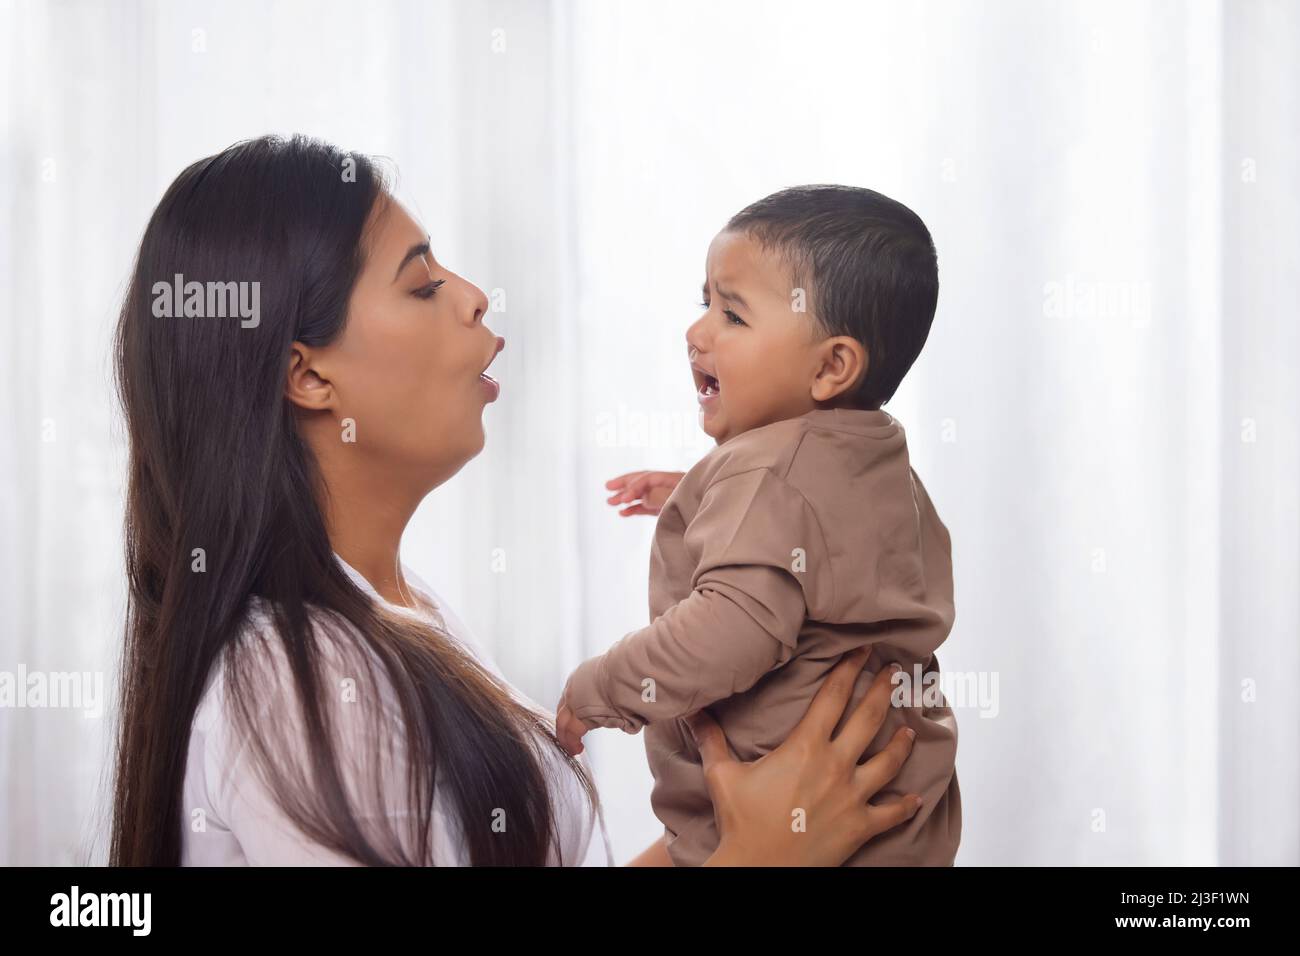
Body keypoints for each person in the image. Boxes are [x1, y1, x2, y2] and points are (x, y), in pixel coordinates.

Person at [110, 136, 925, 866]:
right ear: (310, 375)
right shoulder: (298, 686)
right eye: (422, 285)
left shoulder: (401, 615)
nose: (472, 297)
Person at [557, 186, 960, 866]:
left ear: (833, 365)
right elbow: (822, 540)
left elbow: (729, 635)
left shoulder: (765, 478)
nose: (698, 331)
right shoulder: (882, 462)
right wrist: (700, 493)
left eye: (733, 316)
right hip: (900, 824)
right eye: (704, 303)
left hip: (794, 826)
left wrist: (601, 688)